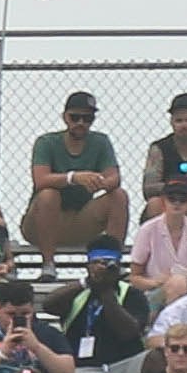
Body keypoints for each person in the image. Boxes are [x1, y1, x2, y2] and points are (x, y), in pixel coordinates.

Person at [24, 91, 127, 256]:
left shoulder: (100, 141)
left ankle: (111, 261)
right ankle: (48, 265)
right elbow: (40, 180)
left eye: (87, 119)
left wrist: (99, 182)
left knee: (118, 196)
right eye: (75, 117)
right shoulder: (46, 142)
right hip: (40, 222)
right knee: (48, 195)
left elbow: (114, 177)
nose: (81, 123)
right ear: (65, 117)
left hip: (81, 220)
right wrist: (74, 178)